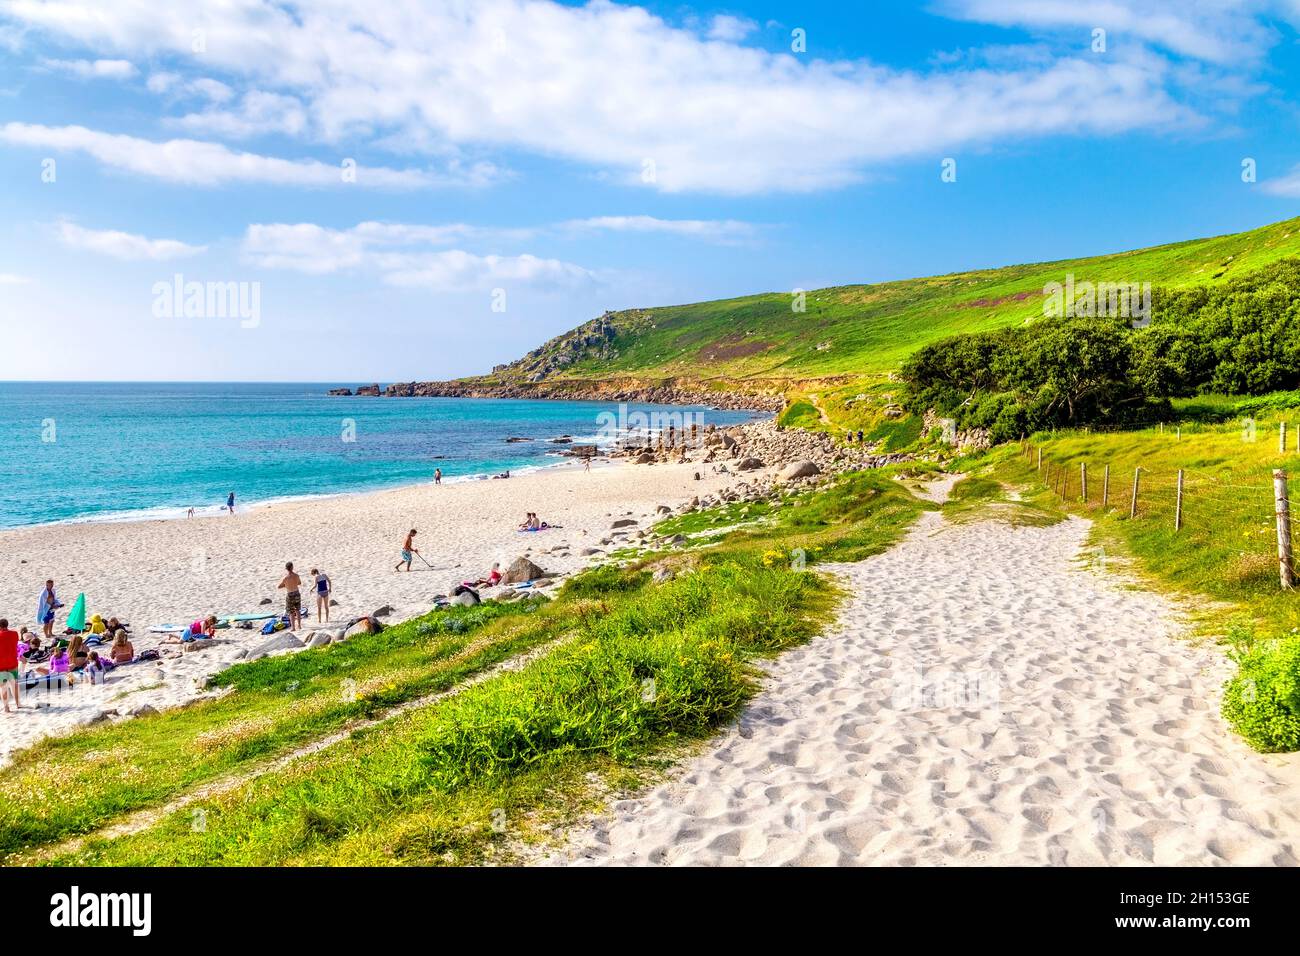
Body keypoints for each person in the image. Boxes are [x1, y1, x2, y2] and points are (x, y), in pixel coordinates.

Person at [0, 618, 20, 713]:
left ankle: (6, 707)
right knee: (14, 685)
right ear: (7, 625)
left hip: (1, 666)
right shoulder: (14, 634)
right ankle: (18, 704)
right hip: (12, 663)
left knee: (3, 687)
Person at [279, 563, 303, 629]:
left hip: (290, 594)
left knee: (291, 612)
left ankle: (293, 627)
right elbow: (299, 583)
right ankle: (299, 625)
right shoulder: (296, 576)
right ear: (292, 567)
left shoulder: (285, 578)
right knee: (298, 610)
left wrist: (286, 585)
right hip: (297, 593)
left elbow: (279, 586)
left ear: (286, 569)